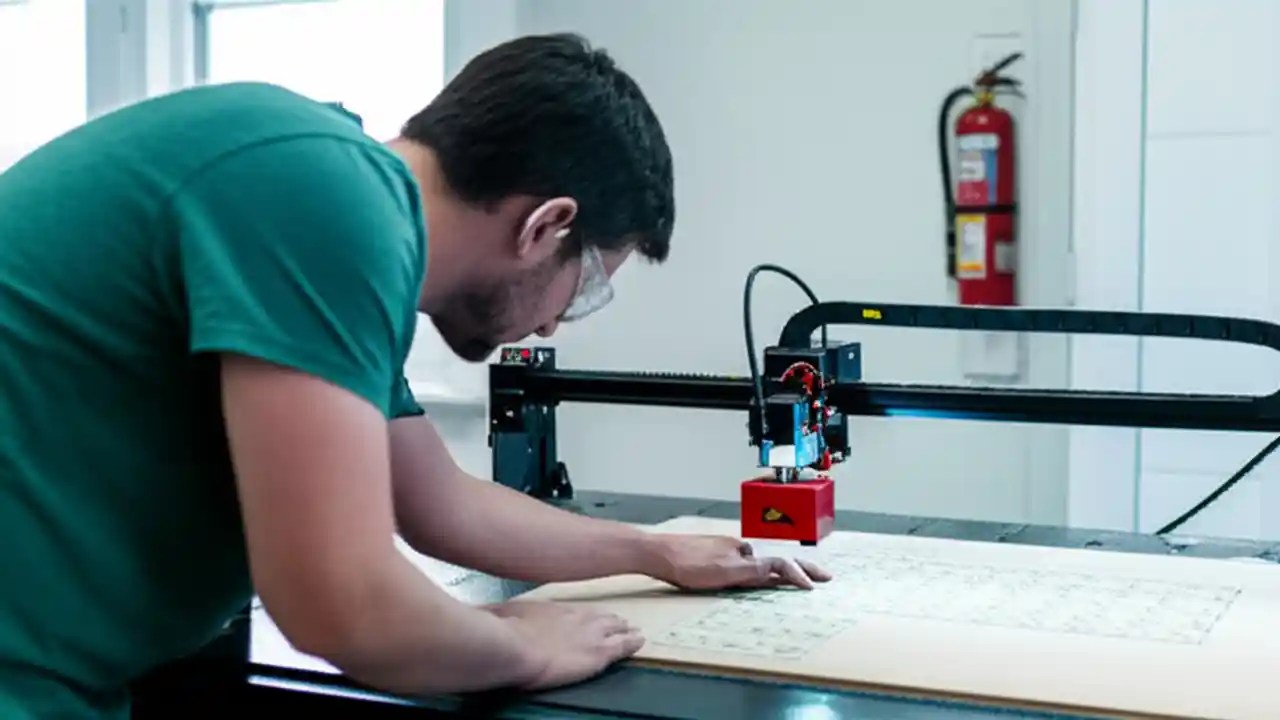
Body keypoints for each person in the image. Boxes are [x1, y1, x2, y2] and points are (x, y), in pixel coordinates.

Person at [0, 32, 829, 718]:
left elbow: (436, 501)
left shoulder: (330, 200)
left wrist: (656, 553)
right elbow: (341, 605)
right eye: (585, 291)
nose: (547, 327)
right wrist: (521, 649)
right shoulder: (319, 193)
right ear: (546, 225)